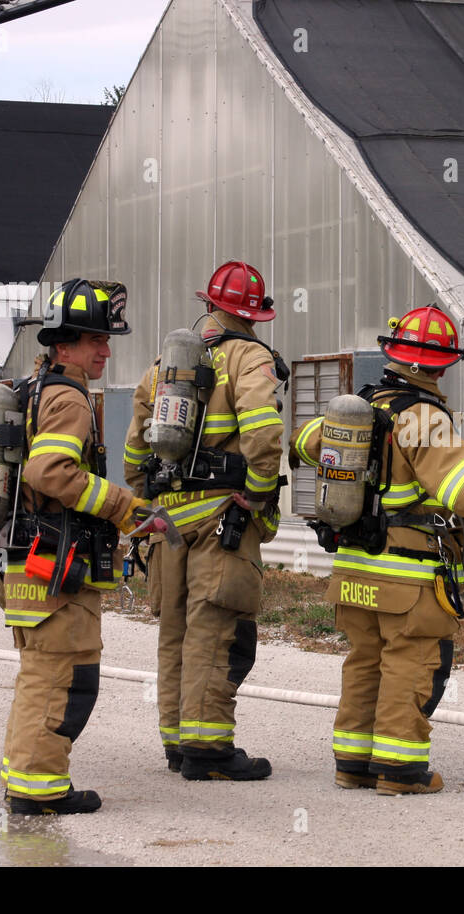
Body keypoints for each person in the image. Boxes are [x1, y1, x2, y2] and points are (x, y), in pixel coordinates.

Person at [292, 306, 464, 795]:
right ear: (442, 365)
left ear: (394, 354)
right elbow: (463, 489)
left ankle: (353, 762)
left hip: (352, 566)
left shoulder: (362, 405)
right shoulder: (422, 418)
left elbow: (304, 442)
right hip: (404, 572)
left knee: (364, 661)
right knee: (407, 663)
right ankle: (400, 770)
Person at [123, 260, 283, 781]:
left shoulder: (164, 366)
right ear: (254, 316)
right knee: (213, 630)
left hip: (171, 522)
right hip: (223, 518)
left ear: (208, 307)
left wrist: (151, 505)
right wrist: (256, 497)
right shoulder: (250, 357)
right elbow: (262, 434)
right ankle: (207, 750)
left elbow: (135, 452)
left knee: (174, 630)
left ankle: (176, 742)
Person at [0, 278, 145, 813]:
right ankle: (37, 791)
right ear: (63, 347)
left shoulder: (39, 387)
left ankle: (30, 780)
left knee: (48, 673)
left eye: (107, 341)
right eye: (94, 342)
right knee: (60, 676)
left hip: (33, 558)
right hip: (52, 561)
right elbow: (48, 470)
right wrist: (123, 507)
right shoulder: (70, 399)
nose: (105, 351)